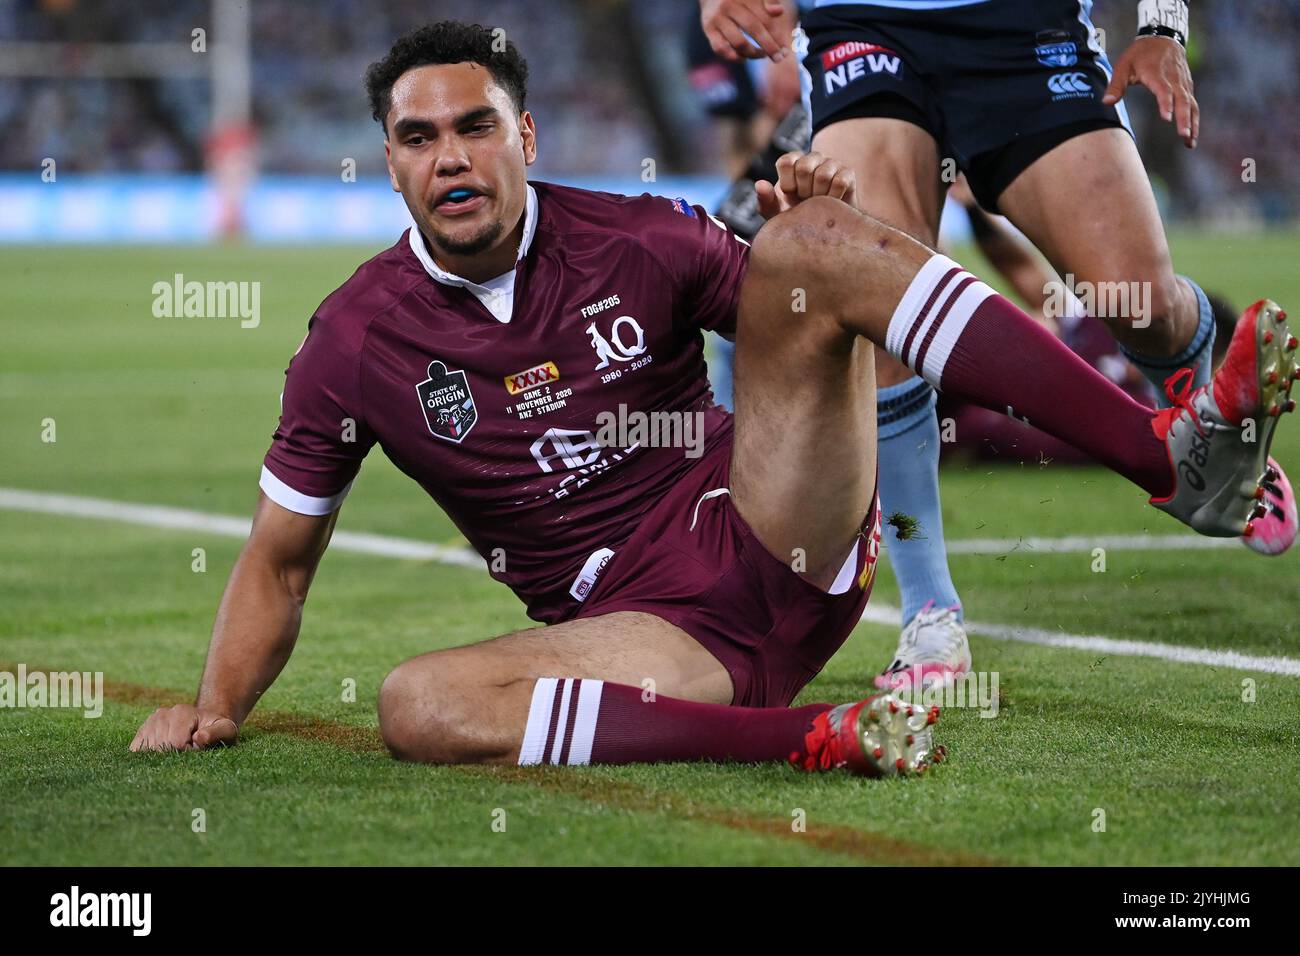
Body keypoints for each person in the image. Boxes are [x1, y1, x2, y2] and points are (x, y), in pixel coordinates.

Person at [131, 21, 1296, 776]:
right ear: (388, 162)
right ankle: (818, 737)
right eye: (418, 137)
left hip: (774, 525)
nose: (450, 158)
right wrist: (215, 705)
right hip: (654, 641)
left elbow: (821, 323)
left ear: (524, 135)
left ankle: (1168, 458)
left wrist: (807, 218)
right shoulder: (350, 339)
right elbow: (281, 559)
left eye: (475, 127)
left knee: (820, 238)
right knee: (414, 706)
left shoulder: (639, 235)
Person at [701, 0, 1299, 691]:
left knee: (1133, 296)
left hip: (1022, 24)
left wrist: (1163, 26)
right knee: (881, 299)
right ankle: (931, 615)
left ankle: (1205, 431)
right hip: (865, 23)